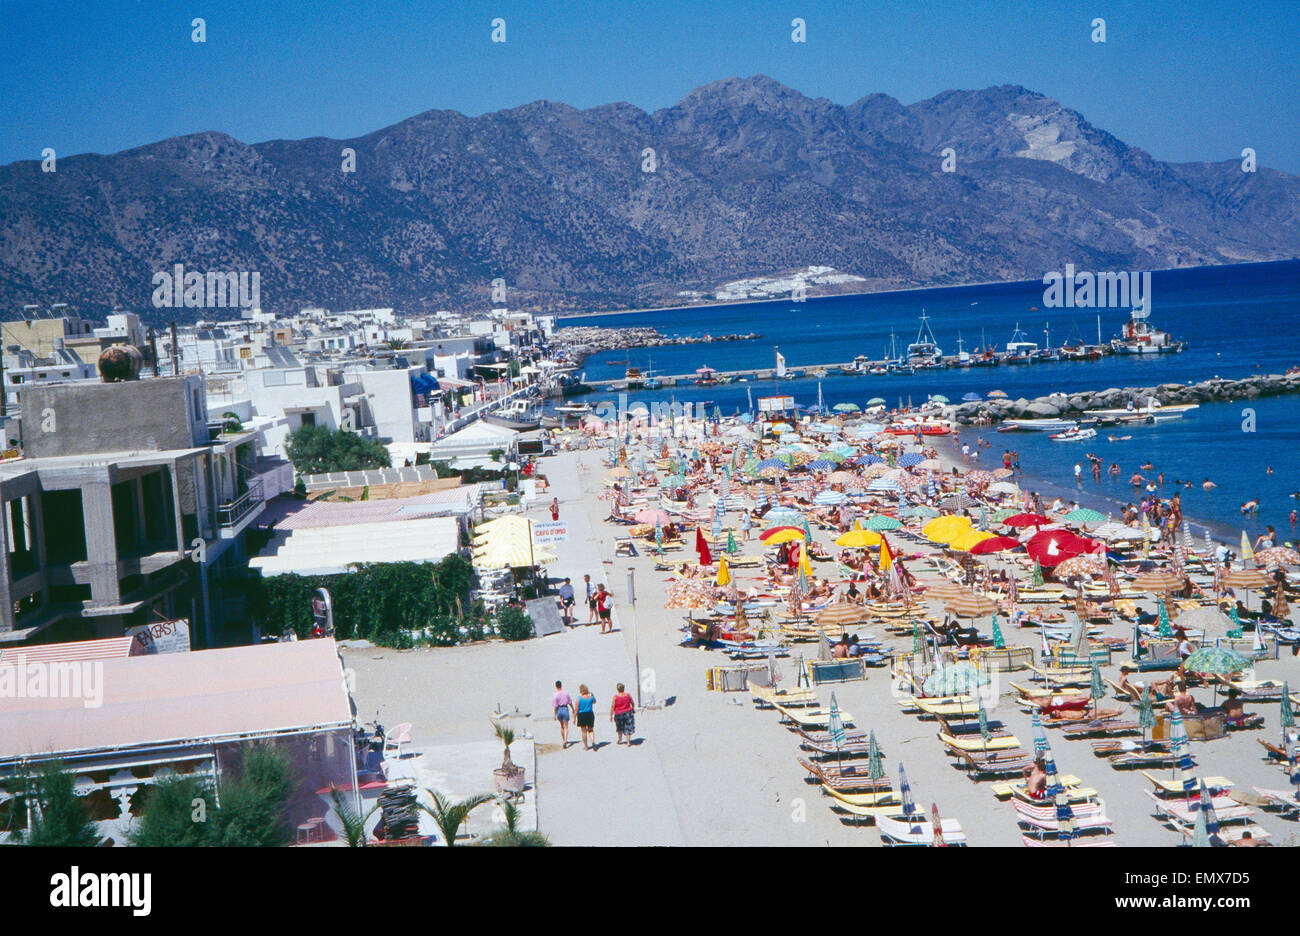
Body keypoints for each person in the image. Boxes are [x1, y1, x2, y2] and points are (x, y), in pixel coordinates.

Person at [575, 684, 598, 750]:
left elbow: (576, 709)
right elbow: (594, 702)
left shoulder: (579, 699)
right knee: (591, 730)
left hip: (582, 715)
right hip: (590, 714)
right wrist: (592, 695)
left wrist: (574, 718)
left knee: (584, 731)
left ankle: (586, 746)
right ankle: (593, 742)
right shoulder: (591, 697)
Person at [553, 680, 573, 748]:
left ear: (556, 686)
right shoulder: (566, 693)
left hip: (559, 709)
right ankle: (565, 740)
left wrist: (555, 715)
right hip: (565, 709)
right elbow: (570, 702)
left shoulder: (555, 695)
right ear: (561, 685)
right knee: (566, 727)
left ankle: (563, 739)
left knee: (562, 726)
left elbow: (555, 706)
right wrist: (573, 709)